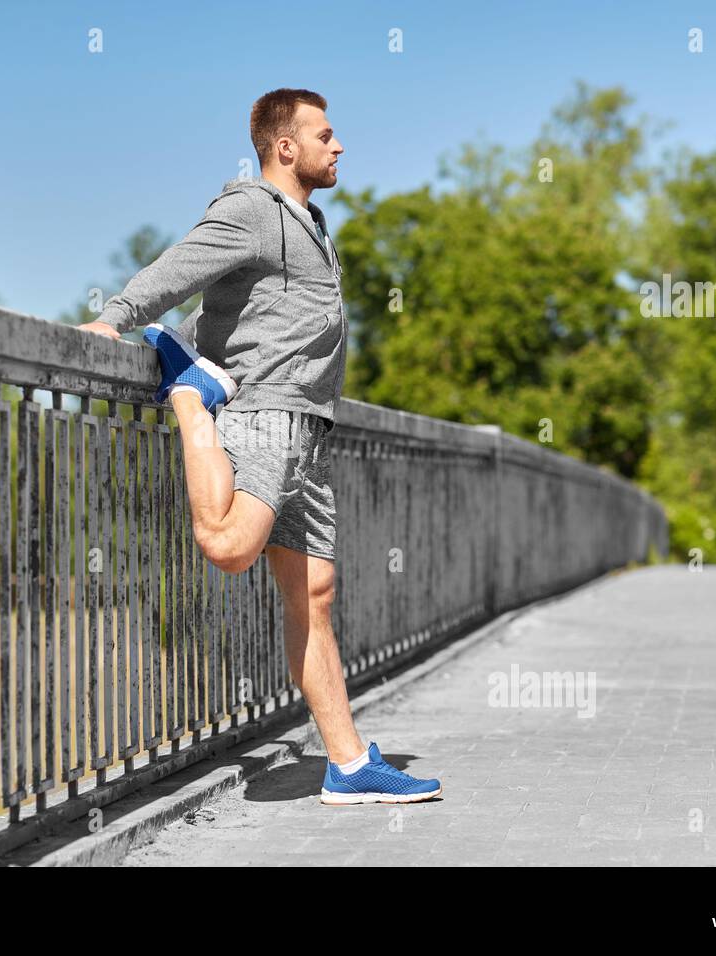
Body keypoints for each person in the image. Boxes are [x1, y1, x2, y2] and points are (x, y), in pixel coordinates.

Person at [80, 88, 440, 805]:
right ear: (285, 147)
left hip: (308, 430)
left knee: (315, 594)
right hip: (263, 415)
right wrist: (116, 317)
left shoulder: (310, 222)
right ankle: (188, 391)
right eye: (326, 135)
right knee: (227, 544)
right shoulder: (251, 209)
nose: (339, 147)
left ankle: (348, 763)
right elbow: (183, 264)